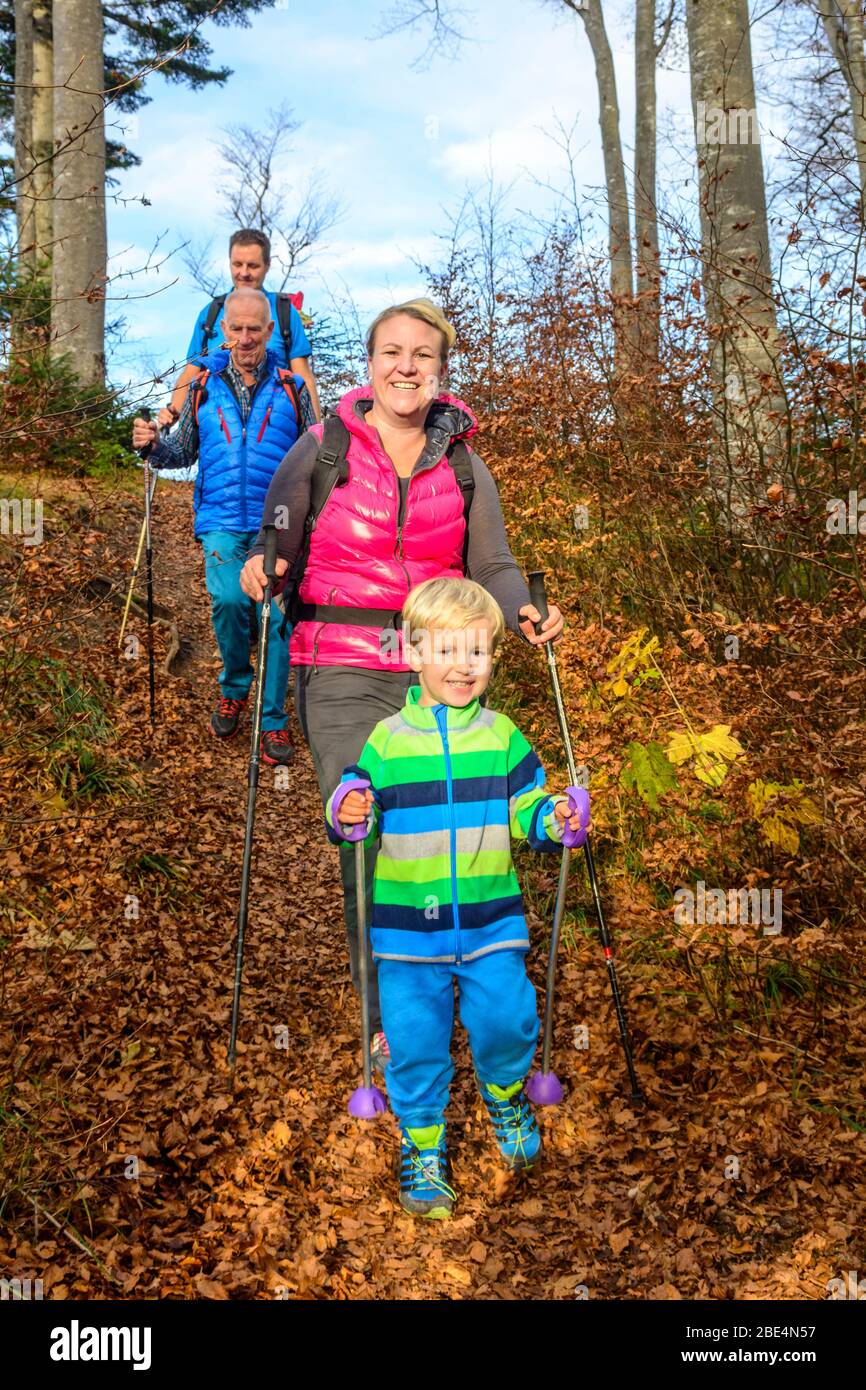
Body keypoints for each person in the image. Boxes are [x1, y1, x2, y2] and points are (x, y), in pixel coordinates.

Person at [239, 297, 564, 1065]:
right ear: (371, 363)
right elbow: (275, 541)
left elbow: (492, 566)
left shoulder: (463, 461)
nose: (406, 366)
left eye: (423, 354)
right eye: (392, 352)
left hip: (439, 671)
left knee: (446, 837)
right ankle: (391, 1017)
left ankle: (462, 981)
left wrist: (523, 613)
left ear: (441, 371)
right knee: (366, 828)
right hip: (342, 668)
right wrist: (263, 570)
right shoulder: (322, 449)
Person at [325, 578, 587, 1218]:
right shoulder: (387, 741)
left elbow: (528, 806)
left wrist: (552, 817)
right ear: (413, 654)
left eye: (477, 652)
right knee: (415, 1043)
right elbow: (359, 812)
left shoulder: (503, 737)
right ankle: (422, 1146)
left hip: (492, 922)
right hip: (409, 939)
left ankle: (503, 1092)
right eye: (446, 650)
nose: (462, 666)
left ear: (493, 657)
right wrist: (349, 810)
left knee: (507, 1021)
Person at [133, 288, 315, 764]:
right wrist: (152, 446)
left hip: (278, 523)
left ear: (271, 331)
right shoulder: (203, 386)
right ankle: (235, 685)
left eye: (255, 328)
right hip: (219, 519)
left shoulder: (292, 387)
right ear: (224, 332)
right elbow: (181, 454)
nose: (246, 337)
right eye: (236, 328)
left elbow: (319, 455)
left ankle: (273, 722)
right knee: (231, 600)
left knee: (275, 617)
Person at [160, 228, 321, 427]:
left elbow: (303, 376)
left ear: (267, 265)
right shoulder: (210, 313)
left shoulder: (284, 312)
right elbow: (191, 372)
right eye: (237, 264)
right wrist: (172, 413)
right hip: (218, 436)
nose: (243, 273)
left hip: (275, 433)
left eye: (252, 265)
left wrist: (315, 435)